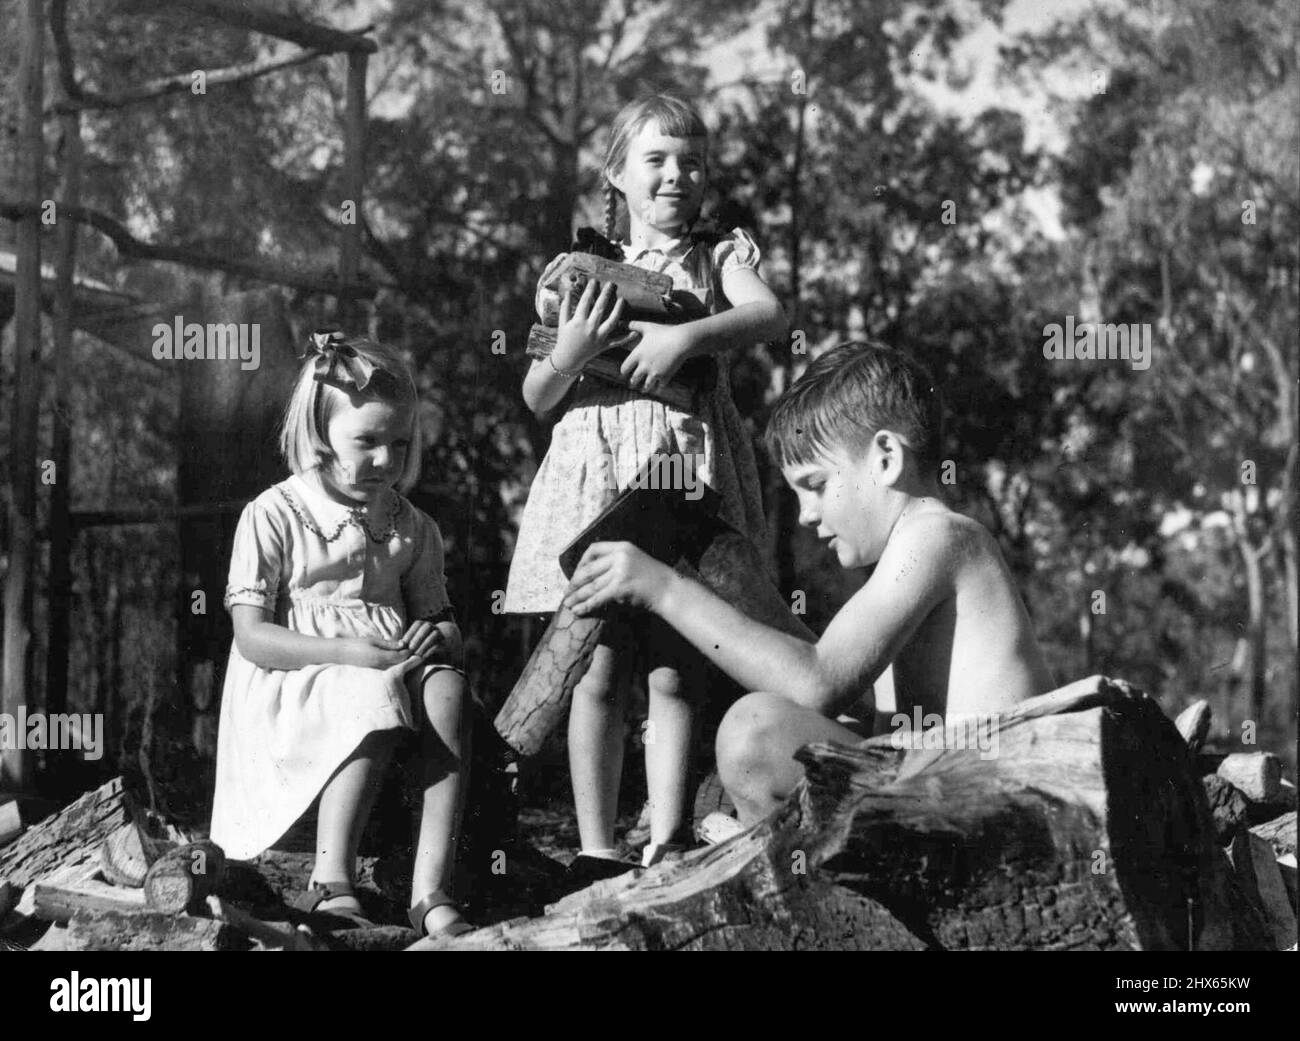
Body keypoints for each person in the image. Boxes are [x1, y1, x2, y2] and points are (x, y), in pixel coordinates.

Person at [563, 341, 1056, 826]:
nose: (805, 516)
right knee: (774, 744)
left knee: (754, 732)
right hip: (959, 791)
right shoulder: (909, 557)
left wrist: (663, 590)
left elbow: (815, 685)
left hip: (1000, 804)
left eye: (816, 486)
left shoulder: (935, 534)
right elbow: (880, 728)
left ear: (886, 457)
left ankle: (780, 876)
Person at [505, 93, 787, 878]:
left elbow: (768, 312)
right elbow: (535, 396)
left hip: (682, 472)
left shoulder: (717, 254)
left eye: (691, 161)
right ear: (617, 175)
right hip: (598, 474)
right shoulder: (580, 268)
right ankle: (595, 848)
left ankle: (664, 838)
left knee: (673, 663)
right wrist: (573, 348)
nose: (675, 175)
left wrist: (684, 338)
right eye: (655, 160)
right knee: (595, 662)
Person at [209, 331, 473, 938]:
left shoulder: (412, 527)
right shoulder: (276, 513)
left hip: (389, 671)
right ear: (319, 433)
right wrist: (350, 654)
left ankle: (431, 891)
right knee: (367, 689)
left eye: (399, 443)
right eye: (367, 442)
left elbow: (442, 621)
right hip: (293, 681)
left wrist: (439, 639)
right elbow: (253, 638)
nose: (385, 460)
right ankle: (332, 879)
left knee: (450, 690)